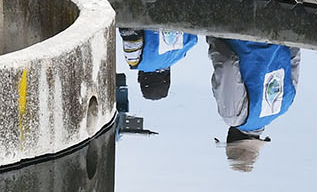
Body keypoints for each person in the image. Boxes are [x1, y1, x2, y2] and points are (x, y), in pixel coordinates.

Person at [209, 37, 298, 169]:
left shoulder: (285, 105)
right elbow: (227, 64)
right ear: (230, 138)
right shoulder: (234, 117)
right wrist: (211, 35)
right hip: (244, 31)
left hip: (280, 30)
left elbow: (295, 52)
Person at [121, 27, 200, 102]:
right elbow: (128, 31)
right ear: (140, 78)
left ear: (168, 78)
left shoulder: (180, 54)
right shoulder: (135, 60)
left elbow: (193, 36)